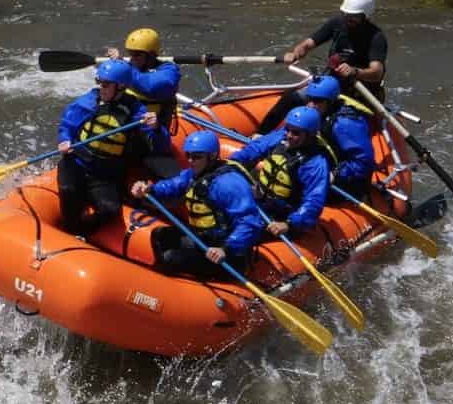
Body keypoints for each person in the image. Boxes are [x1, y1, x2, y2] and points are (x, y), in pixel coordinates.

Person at [129, 129, 269, 279]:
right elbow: (174, 185)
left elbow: (250, 222)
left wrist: (225, 249)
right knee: (160, 234)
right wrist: (150, 189)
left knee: (171, 258)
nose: (190, 161)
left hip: (229, 253)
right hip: (204, 240)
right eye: (188, 156)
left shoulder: (228, 184)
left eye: (196, 157)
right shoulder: (195, 174)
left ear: (213, 156)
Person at [55, 57, 167, 234]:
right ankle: (69, 229)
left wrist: (156, 127)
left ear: (121, 86)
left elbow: (160, 144)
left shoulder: (136, 112)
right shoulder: (88, 101)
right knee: (68, 190)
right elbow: (67, 126)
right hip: (76, 164)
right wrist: (64, 139)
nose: (101, 87)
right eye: (99, 82)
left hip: (104, 175)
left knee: (110, 210)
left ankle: (83, 232)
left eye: (106, 84)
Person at [227, 104, 332, 239]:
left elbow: (313, 201)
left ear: (310, 135)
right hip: (259, 199)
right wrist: (232, 163)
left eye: (295, 133)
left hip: (280, 216)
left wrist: (288, 224)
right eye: (287, 129)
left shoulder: (315, 164)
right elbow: (254, 148)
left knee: (239, 233)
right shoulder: (281, 137)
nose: (288, 135)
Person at [278, 0, 390, 103]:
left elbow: (377, 72)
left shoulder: (376, 37)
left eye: (354, 17)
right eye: (346, 14)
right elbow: (307, 44)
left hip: (360, 89)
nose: (348, 19)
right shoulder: (337, 23)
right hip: (333, 82)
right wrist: (295, 53)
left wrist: (355, 71)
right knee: (289, 100)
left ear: (366, 16)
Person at [302, 76, 378, 202]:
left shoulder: (345, 124)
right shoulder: (317, 113)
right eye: (309, 99)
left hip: (345, 183)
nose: (310, 105)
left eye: (317, 101)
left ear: (330, 102)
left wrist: (335, 175)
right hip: (323, 166)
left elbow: (364, 162)